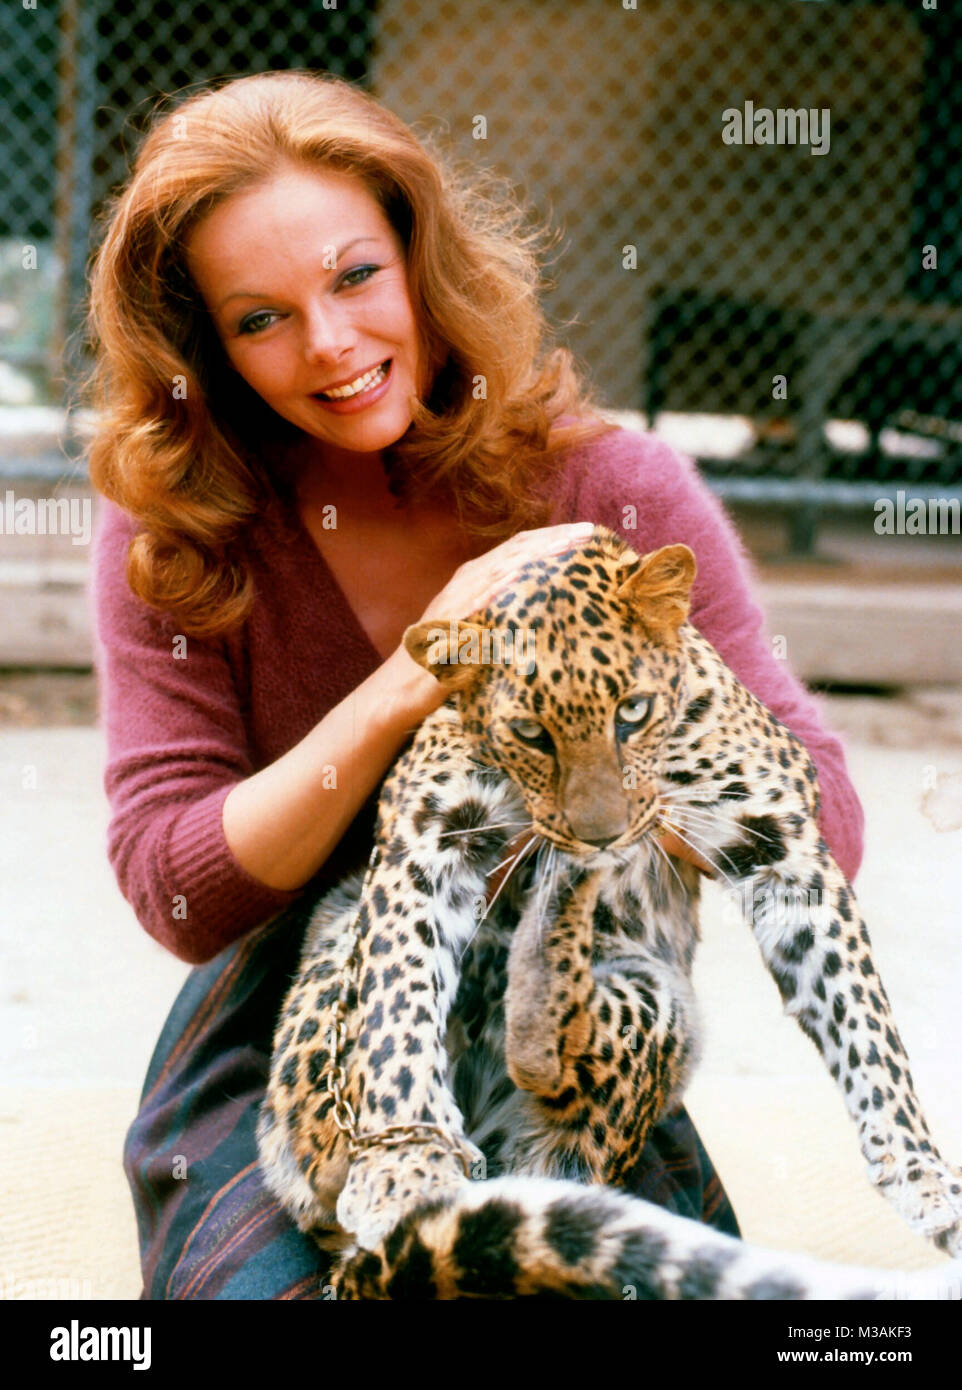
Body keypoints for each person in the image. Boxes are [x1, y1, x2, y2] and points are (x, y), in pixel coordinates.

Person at [82, 69, 864, 1300]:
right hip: (286, 1034)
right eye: (260, 319)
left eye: (353, 276)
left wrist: (613, 738)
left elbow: (822, 825)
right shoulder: (179, 534)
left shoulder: (609, 492)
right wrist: (416, 670)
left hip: (553, 1021)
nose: (331, 345)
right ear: (205, 349)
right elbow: (179, 884)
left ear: (419, 258)